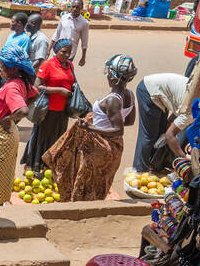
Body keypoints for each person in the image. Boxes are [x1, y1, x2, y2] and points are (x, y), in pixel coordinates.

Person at [43, 54, 137, 201]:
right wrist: (102, 121)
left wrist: (90, 128)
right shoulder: (129, 95)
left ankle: (80, 210)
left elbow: (119, 129)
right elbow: (129, 121)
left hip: (99, 146)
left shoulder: (112, 100)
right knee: (98, 183)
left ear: (112, 77)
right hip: (115, 146)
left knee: (85, 180)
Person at [0, 45, 36, 205]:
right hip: (7, 133)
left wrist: (9, 119)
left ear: (13, 68)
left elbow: (24, 110)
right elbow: (35, 93)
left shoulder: (12, 87)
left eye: (3, 65)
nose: (0, 68)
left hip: (0, 134)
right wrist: (13, 119)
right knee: (1, 173)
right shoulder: (21, 82)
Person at [22, 37, 77, 174]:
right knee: (42, 136)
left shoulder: (70, 65)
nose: (66, 55)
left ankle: (49, 164)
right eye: (63, 52)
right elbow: (37, 87)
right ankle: (33, 163)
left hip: (63, 110)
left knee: (57, 137)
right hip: (47, 109)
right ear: (56, 51)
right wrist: (59, 91)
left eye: (69, 52)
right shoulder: (47, 65)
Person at [133, 72, 192, 173]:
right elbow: (170, 135)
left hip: (161, 93)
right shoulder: (190, 113)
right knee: (148, 136)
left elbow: (175, 114)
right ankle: (139, 171)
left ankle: (154, 165)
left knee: (160, 131)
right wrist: (183, 159)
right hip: (149, 89)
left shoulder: (196, 106)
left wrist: (168, 125)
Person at [52, 0, 89, 67]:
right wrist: (49, 49)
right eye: (73, 6)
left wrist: (83, 57)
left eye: (77, 7)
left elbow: (84, 42)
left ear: (81, 9)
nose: (75, 9)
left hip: (69, 54)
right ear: (71, 7)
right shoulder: (64, 18)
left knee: (64, 72)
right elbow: (56, 34)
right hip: (58, 51)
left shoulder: (84, 23)